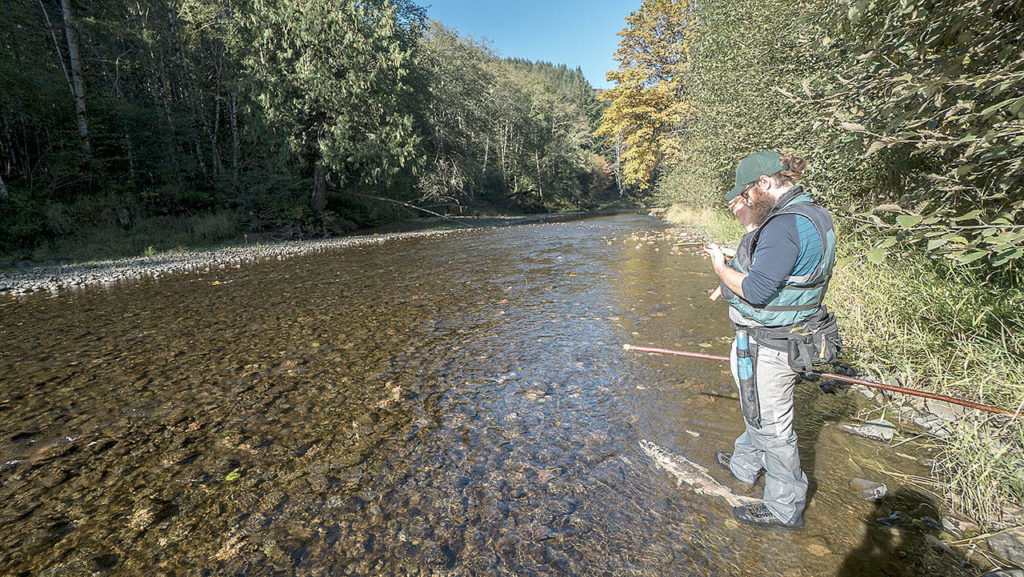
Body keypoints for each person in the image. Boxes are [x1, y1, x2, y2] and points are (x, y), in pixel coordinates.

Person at [703, 150, 838, 529]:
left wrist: (721, 268)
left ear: (764, 183)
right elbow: (784, 269)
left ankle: (784, 507)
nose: (744, 201)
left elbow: (757, 290)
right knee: (757, 409)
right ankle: (745, 465)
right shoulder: (813, 214)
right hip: (790, 333)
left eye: (746, 194)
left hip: (769, 342)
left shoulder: (782, 226)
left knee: (772, 425)